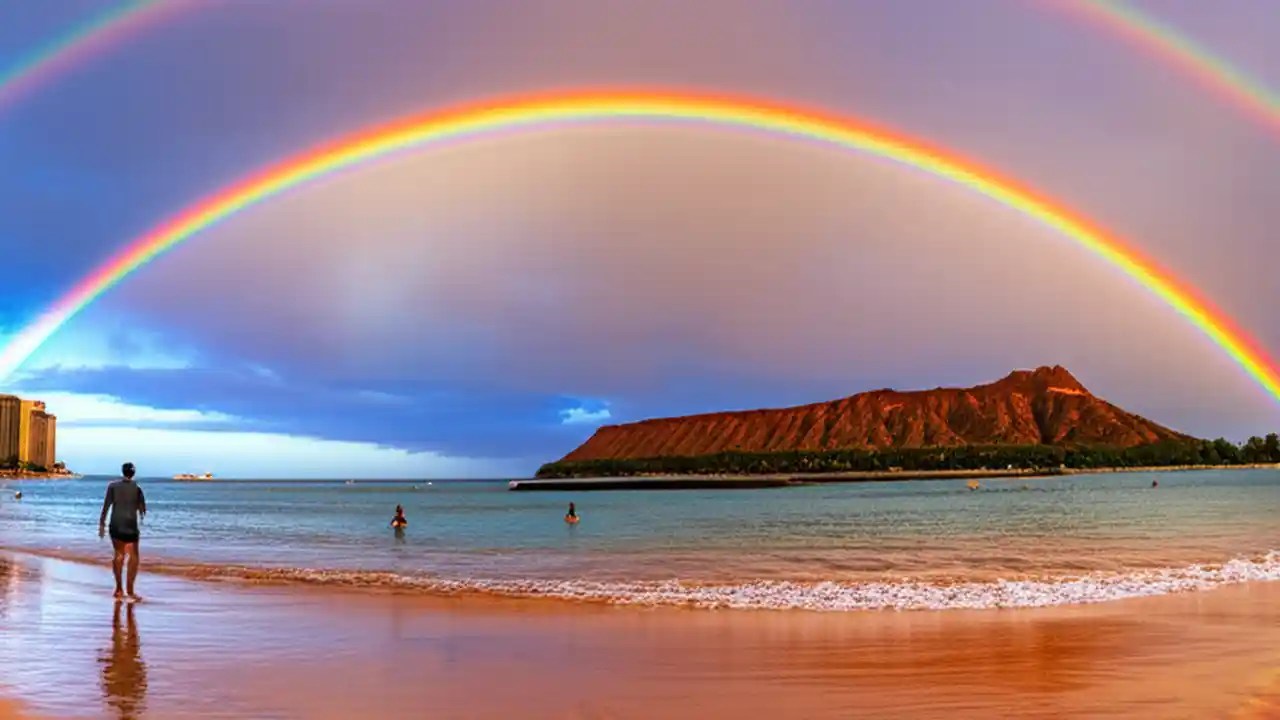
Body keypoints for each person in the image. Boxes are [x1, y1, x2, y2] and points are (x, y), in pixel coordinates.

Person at [99, 462, 147, 601]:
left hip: (116, 524)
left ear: (122, 471)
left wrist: (102, 524)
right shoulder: (137, 489)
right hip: (131, 525)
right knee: (134, 557)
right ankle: (130, 590)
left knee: (119, 554)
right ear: (133, 473)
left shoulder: (112, 486)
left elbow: (106, 506)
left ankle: (119, 589)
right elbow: (142, 510)